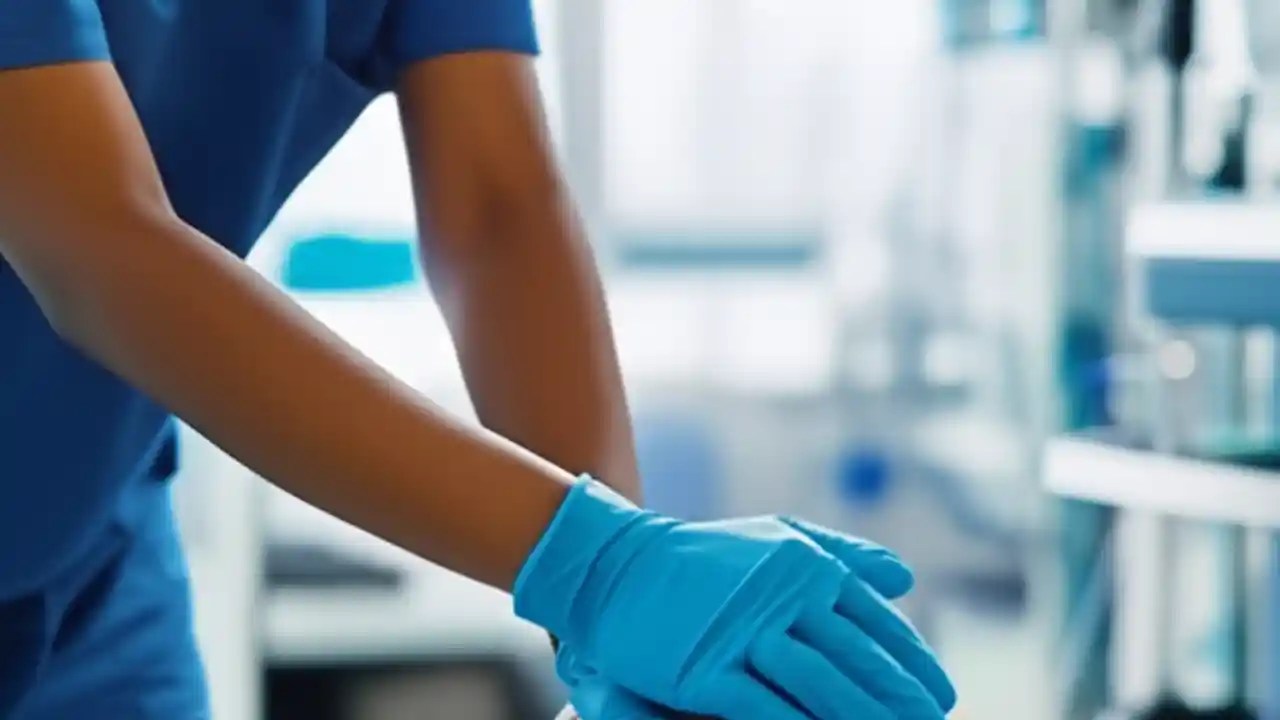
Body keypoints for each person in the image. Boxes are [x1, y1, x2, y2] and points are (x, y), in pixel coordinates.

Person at [0, 2, 957, 719]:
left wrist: (607, 624)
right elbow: (90, 238)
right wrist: (593, 563)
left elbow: (500, 212)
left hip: (89, 561)